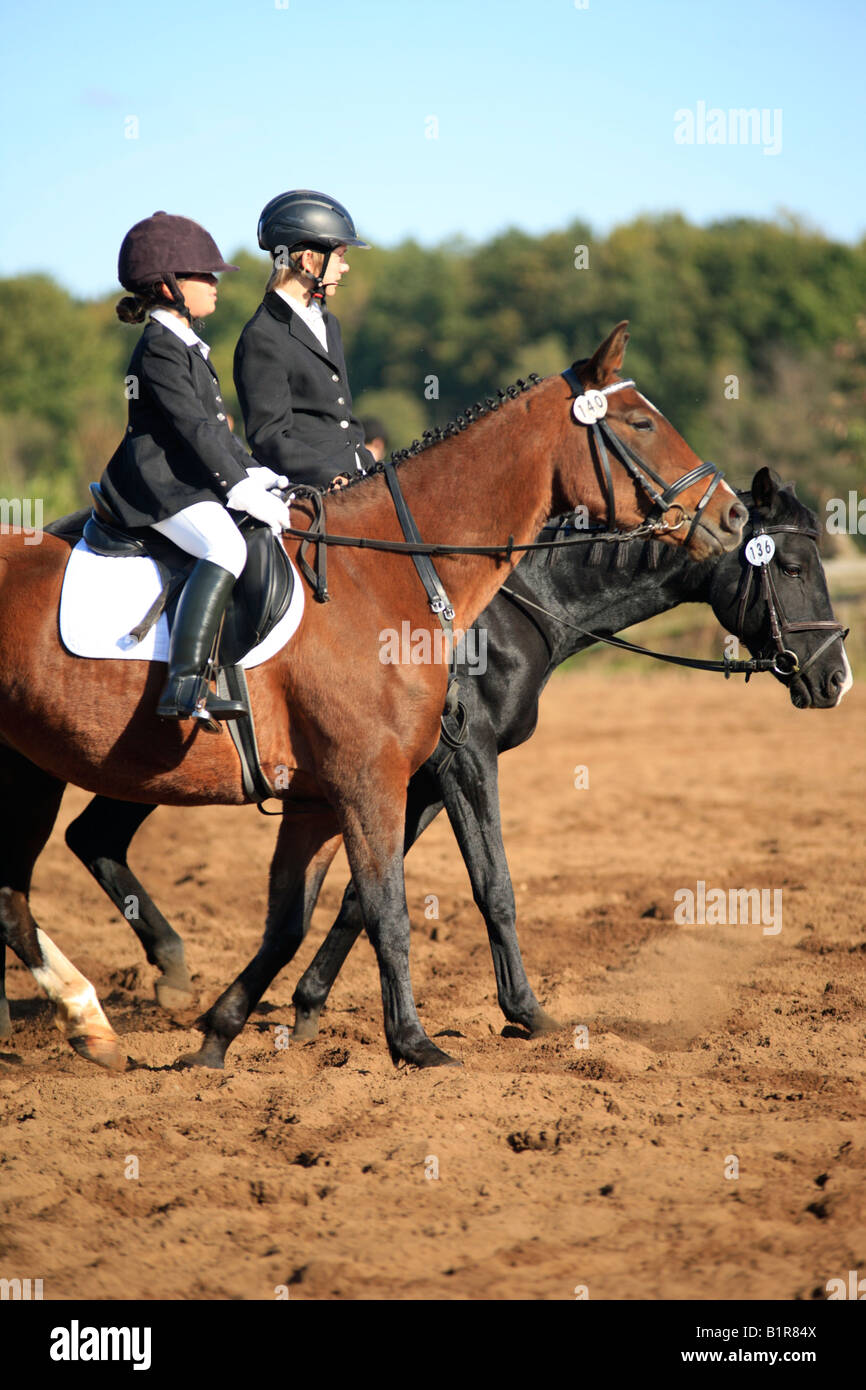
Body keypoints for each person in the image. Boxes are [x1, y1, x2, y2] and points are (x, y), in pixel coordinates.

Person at [100, 211, 291, 722]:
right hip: (157, 486)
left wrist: (257, 473)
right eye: (203, 275)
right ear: (166, 285)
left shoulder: (186, 344)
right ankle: (184, 686)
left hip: (189, 480)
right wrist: (239, 488)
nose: (214, 284)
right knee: (225, 546)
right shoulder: (161, 349)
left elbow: (217, 430)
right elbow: (195, 430)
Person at [234, 190, 376, 492]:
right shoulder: (263, 335)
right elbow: (268, 436)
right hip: (310, 489)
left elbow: (344, 419)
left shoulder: (328, 322)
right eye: (339, 256)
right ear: (309, 260)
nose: (345, 267)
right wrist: (329, 476)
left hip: (355, 480)